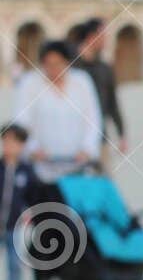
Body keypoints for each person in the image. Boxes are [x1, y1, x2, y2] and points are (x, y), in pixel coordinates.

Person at [13, 40, 101, 181]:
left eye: (58, 64)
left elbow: (93, 119)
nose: (54, 69)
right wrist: (32, 148)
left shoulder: (82, 82)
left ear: (67, 63)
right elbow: (22, 120)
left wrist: (87, 149)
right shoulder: (30, 83)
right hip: (41, 167)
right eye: (49, 64)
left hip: (78, 166)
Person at [71, 17, 128, 170]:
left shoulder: (105, 68)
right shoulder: (70, 64)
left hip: (99, 136)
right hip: (71, 137)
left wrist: (121, 133)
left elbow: (112, 103)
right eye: (103, 36)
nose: (106, 41)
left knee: (102, 183)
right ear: (91, 36)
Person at [0, 123, 40, 280]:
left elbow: (34, 197)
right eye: (5, 141)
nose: (9, 146)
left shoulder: (26, 170)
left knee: (14, 264)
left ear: (22, 145)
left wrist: (32, 215)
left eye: (13, 142)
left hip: (14, 226)